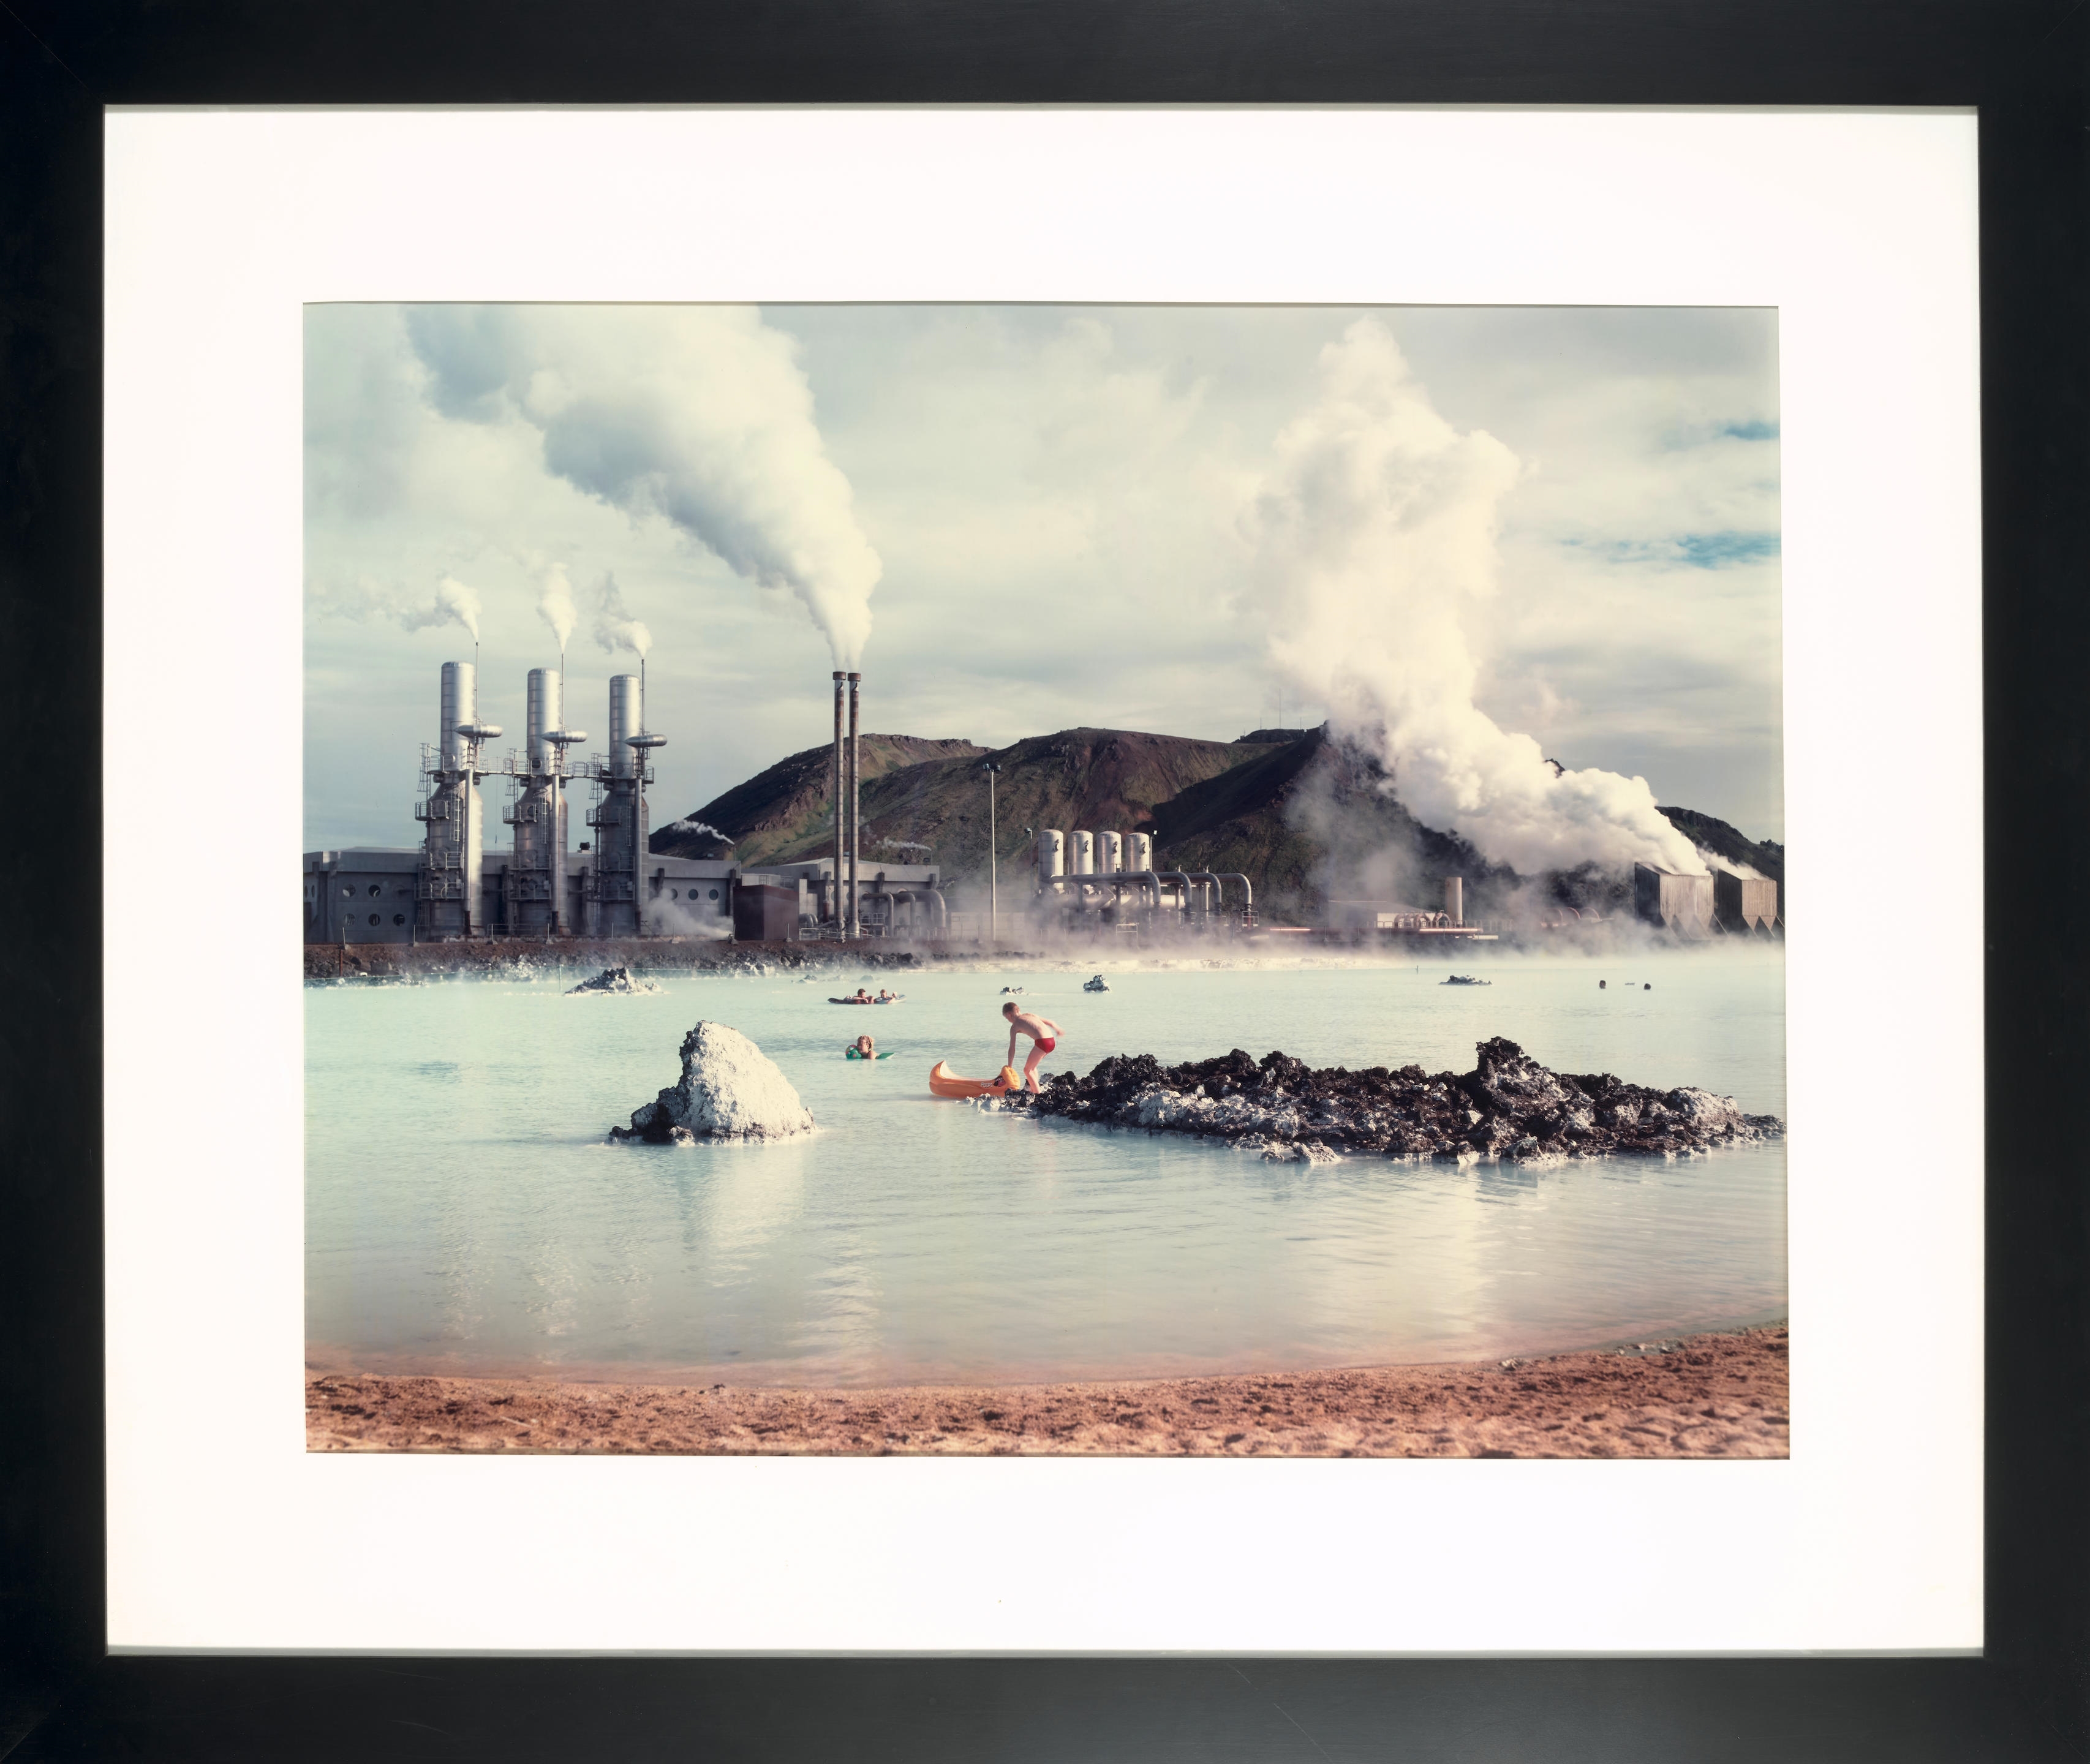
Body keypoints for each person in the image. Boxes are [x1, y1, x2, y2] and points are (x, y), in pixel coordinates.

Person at [1003, 1001, 1062, 1094]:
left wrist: (1010, 1066)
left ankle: (1038, 1094)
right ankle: (1033, 1089)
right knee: (1033, 1067)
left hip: (1043, 1042)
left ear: (1009, 1014)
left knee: (1027, 1070)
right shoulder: (1030, 1015)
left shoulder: (1015, 1026)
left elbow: (1012, 1048)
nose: (1008, 1020)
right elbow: (1051, 1022)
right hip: (1051, 1041)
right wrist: (1058, 1030)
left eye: (1007, 1019)